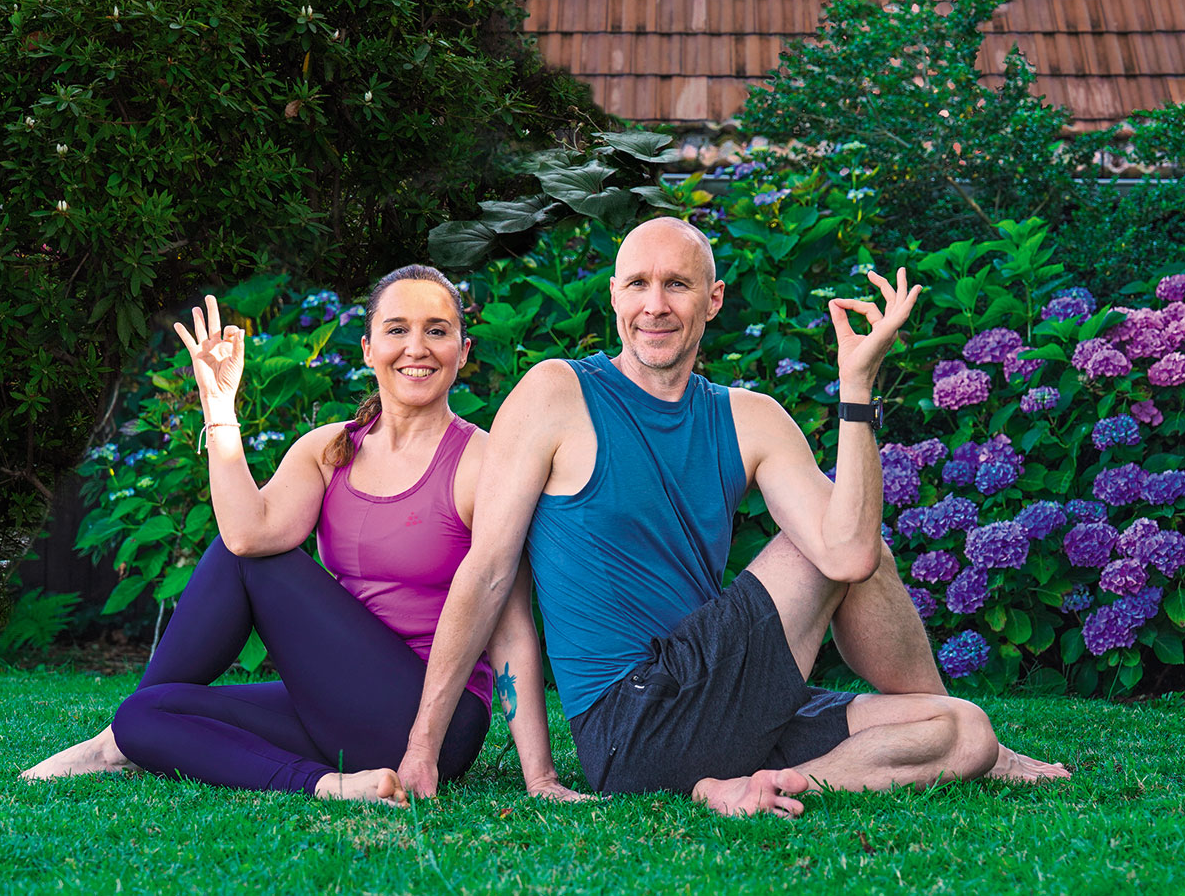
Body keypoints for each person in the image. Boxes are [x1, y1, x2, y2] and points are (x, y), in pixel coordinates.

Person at [396, 218, 1070, 816]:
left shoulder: (750, 418)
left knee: (964, 731)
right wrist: (425, 746)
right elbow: (488, 573)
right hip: (631, 724)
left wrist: (856, 388)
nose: (655, 305)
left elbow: (854, 549)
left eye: (677, 285)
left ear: (713, 300)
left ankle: (754, 784)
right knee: (834, 545)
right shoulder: (555, 392)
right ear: (613, 296)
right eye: (637, 284)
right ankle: (725, 778)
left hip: (723, 707)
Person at [21, 265, 582, 805]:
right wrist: (219, 409)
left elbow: (508, 626)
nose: (417, 347)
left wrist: (541, 776)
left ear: (462, 351)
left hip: (437, 719)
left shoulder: (483, 463)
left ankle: (115, 745)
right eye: (397, 330)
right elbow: (246, 532)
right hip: (338, 707)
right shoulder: (328, 450)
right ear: (367, 349)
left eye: (437, 331)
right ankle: (314, 782)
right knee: (144, 715)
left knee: (248, 560)